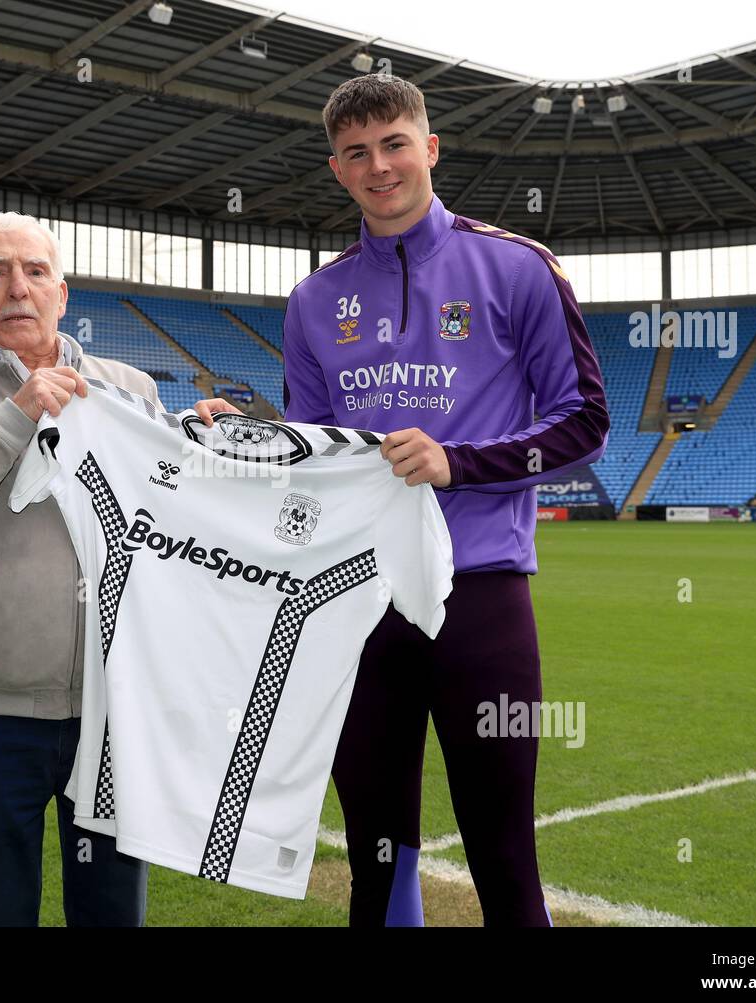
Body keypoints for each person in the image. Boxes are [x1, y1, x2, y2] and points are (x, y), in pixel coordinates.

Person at [280, 75, 610, 926]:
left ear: (430, 147)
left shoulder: (517, 267)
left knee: (504, 857)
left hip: (483, 603)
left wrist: (458, 463)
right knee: (375, 859)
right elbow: (310, 458)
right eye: (357, 153)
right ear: (337, 169)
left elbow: (585, 422)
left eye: (394, 143)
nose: (379, 165)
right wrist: (237, 439)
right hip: (360, 606)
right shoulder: (315, 301)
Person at [0, 212, 233, 926]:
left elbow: (174, 524)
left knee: (110, 917)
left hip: (113, 714)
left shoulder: (130, 391)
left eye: (35, 271)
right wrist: (13, 417)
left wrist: (209, 453)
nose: (18, 288)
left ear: (62, 292)